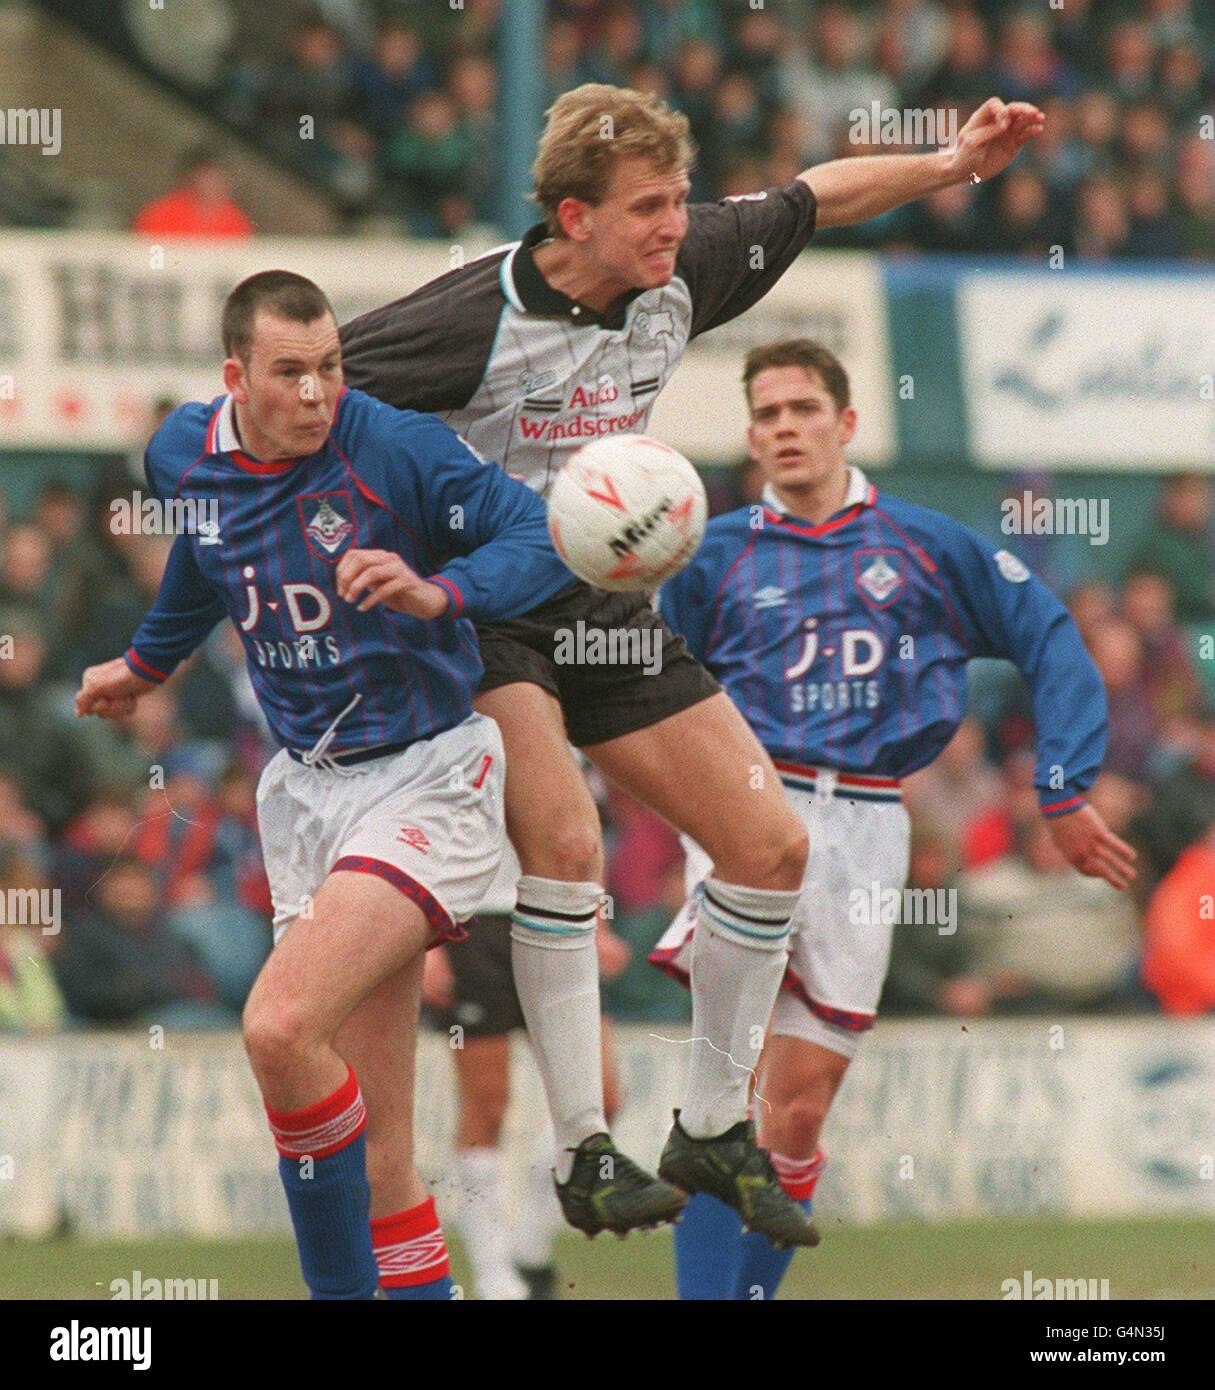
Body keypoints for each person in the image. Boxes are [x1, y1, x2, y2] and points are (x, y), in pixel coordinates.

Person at [337, 82, 1045, 1245]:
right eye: (651, 207)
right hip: (476, 613)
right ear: (574, 218)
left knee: (771, 847)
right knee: (565, 841)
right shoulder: (463, 323)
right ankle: (581, 1153)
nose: (677, 224)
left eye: (680, 200)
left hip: (601, 596)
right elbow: (311, 403)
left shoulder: (685, 267)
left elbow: (818, 194)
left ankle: (711, 1129)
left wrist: (955, 163)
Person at [75, 269, 585, 1299]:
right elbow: (210, 551)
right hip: (304, 793)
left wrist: (442, 590)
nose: (317, 395)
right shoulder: (183, 451)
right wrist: (146, 662)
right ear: (237, 377)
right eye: (292, 373)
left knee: (277, 1029)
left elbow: (543, 536)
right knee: (386, 1160)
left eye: (332, 368)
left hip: (423, 776)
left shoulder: (393, 448)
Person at [650, 338, 1137, 1299]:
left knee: (795, 1113)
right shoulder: (713, 554)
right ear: (750, 437)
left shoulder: (925, 546)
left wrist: (1065, 787)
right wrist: (681, 822)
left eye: (802, 409)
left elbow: (1046, 634)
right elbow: (648, 695)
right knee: (723, 1102)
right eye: (767, 414)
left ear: (846, 423)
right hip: (751, 813)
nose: (785, 427)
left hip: (869, 826)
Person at [132, 147, 253, 239]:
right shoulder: (160, 214)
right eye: (207, 178)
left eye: (219, 178)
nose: (213, 185)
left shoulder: (237, 220)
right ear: (191, 180)